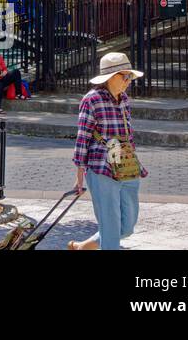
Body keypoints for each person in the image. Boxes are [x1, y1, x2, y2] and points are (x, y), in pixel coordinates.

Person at [69, 51, 147, 251]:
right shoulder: (92, 99)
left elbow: (128, 134)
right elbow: (83, 137)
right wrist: (79, 175)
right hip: (100, 166)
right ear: (112, 77)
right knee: (110, 224)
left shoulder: (124, 99)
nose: (129, 80)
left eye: (130, 76)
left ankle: (84, 247)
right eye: (126, 75)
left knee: (127, 225)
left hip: (126, 163)